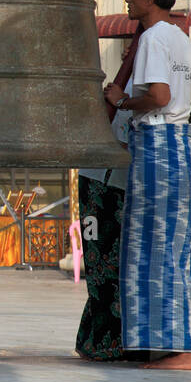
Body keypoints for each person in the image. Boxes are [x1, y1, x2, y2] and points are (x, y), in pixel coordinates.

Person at [103, 0, 191, 370]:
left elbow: (159, 96)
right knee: (173, 250)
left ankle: (181, 352)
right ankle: (172, 347)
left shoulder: (152, 39)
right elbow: (186, 100)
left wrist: (122, 99)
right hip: (180, 145)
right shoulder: (180, 39)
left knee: (152, 250)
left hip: (158, 144)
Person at [75, 23, 144, 361]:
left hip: (121, 178)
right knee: (100, 264)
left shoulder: (138, 83)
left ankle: (114, 339)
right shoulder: (120, 80)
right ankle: (100, 340)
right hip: (99, 178)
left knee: (118, 265)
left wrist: (124, 101)